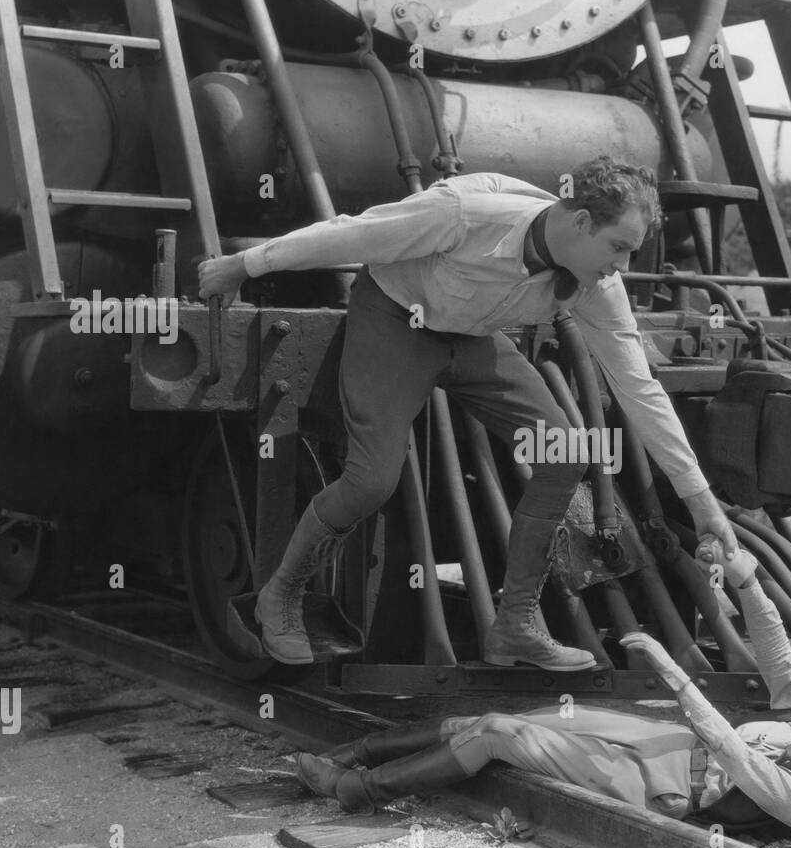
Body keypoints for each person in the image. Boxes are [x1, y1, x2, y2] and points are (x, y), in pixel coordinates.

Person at [198, 157, 737, 669]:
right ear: (578, 221)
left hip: (473, 338)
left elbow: (639, 388)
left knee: (565, 453)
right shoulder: (463, 213)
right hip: (395, 321)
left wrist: (702, 502)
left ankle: (514, 627)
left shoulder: (597, 282)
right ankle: (279, 596)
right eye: (619, 247)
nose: (623, 267)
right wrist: (243, 265)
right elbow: (347, 234)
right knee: (371, 481)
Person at [292, 539, 791, 839]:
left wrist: (676, 675)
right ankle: (360, 752)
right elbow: (771, 643)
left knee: (503, 734)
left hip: (665, 788)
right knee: (508, 715)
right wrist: (747, 581)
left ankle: (361, 791)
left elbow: (738, 759)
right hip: (667, 740)